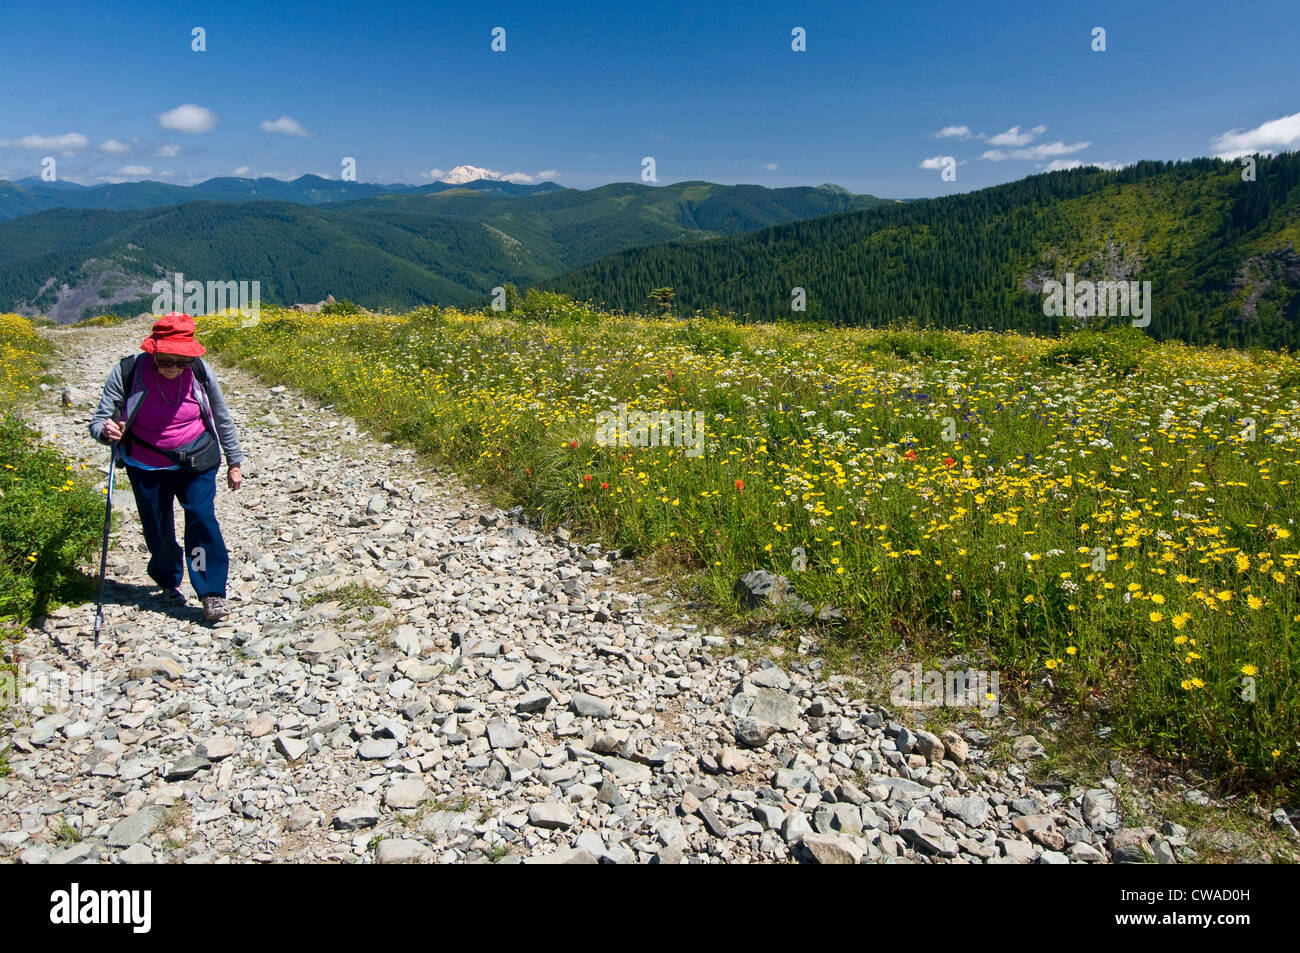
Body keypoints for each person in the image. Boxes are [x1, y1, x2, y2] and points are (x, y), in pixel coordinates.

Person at [89, 312, 244, 621]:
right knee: (158, 529)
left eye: (182, 362)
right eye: (166, 361)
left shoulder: (199, 371)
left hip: (196, 458)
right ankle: (168, 581)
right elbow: (98, 421)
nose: (174, 368)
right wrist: (106, 431)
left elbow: (221, 416)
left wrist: (234, 460)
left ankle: (210, 591)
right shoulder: (128, 371)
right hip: (145, 462)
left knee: (200, 518)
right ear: (153, 351)